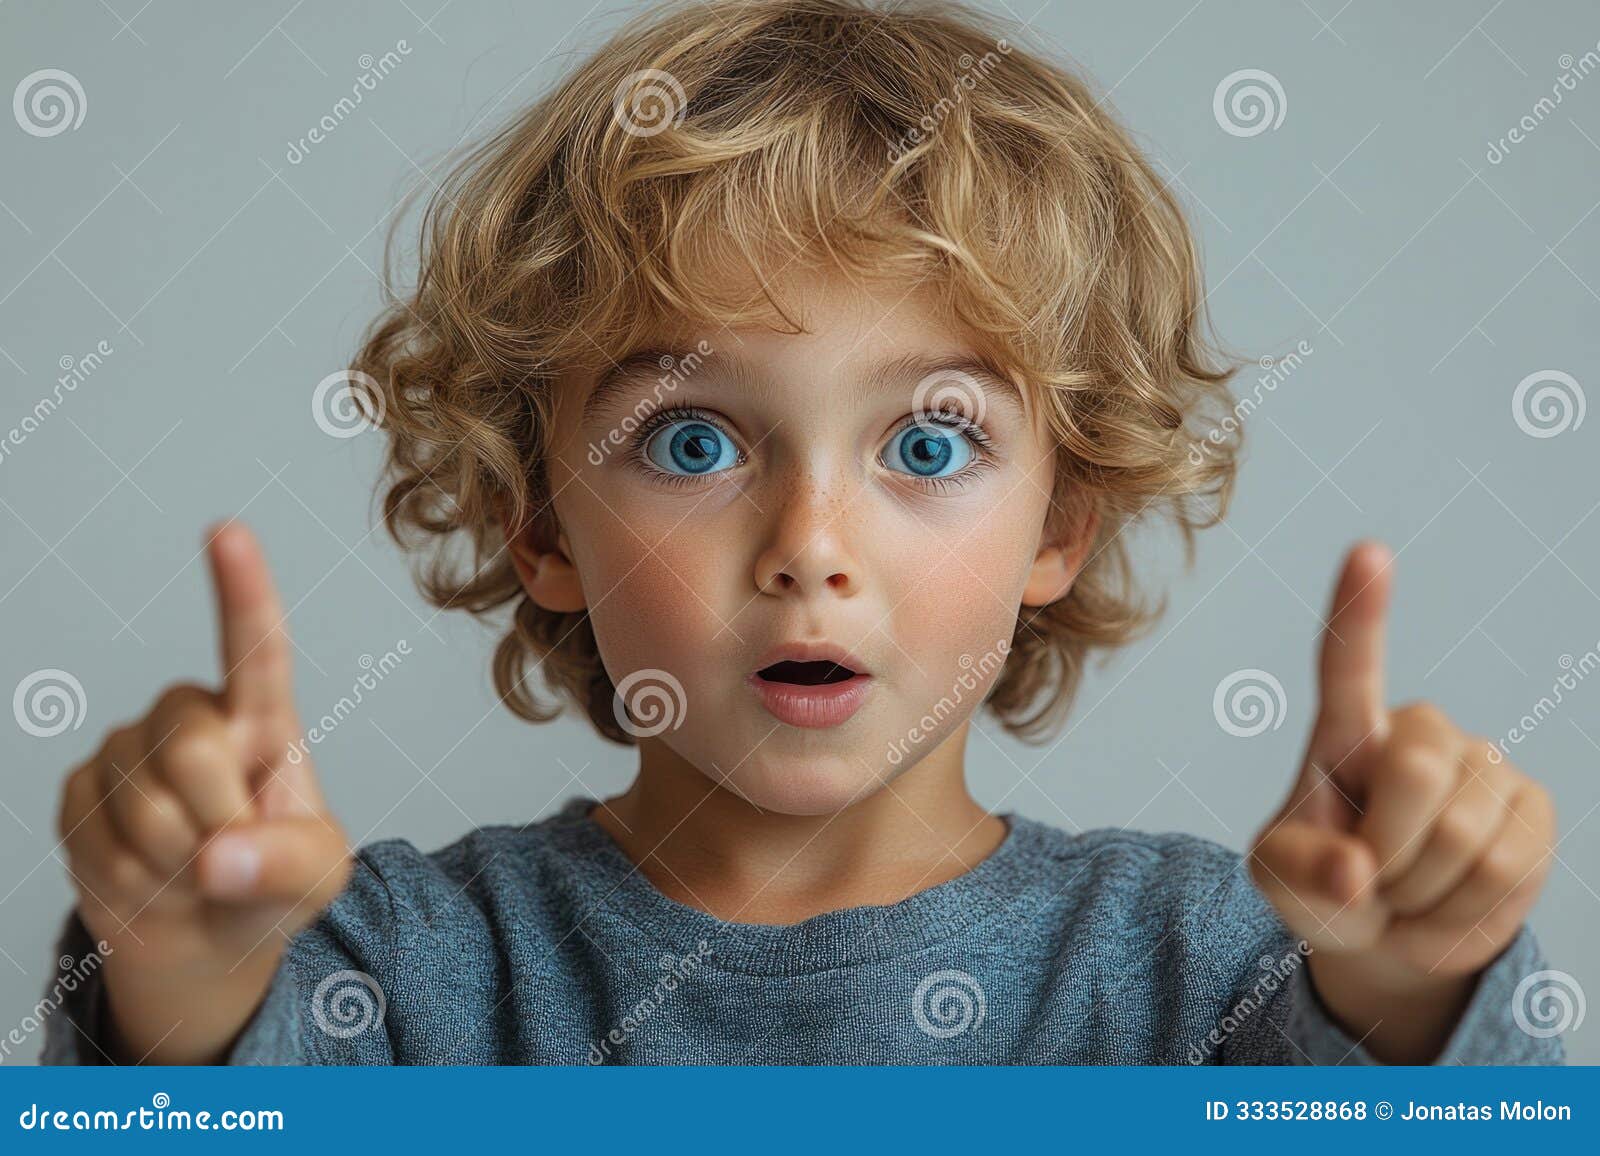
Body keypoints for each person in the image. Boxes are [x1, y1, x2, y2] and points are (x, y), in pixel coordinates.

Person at [41, 0, 1561, 1065]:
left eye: (927, 443)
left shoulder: (1218, 971)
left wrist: (1413, 993)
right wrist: (177, 967)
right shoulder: (393, 972)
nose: (809, 542)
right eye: (696, 441)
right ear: (541, 524)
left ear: (1062, 524)